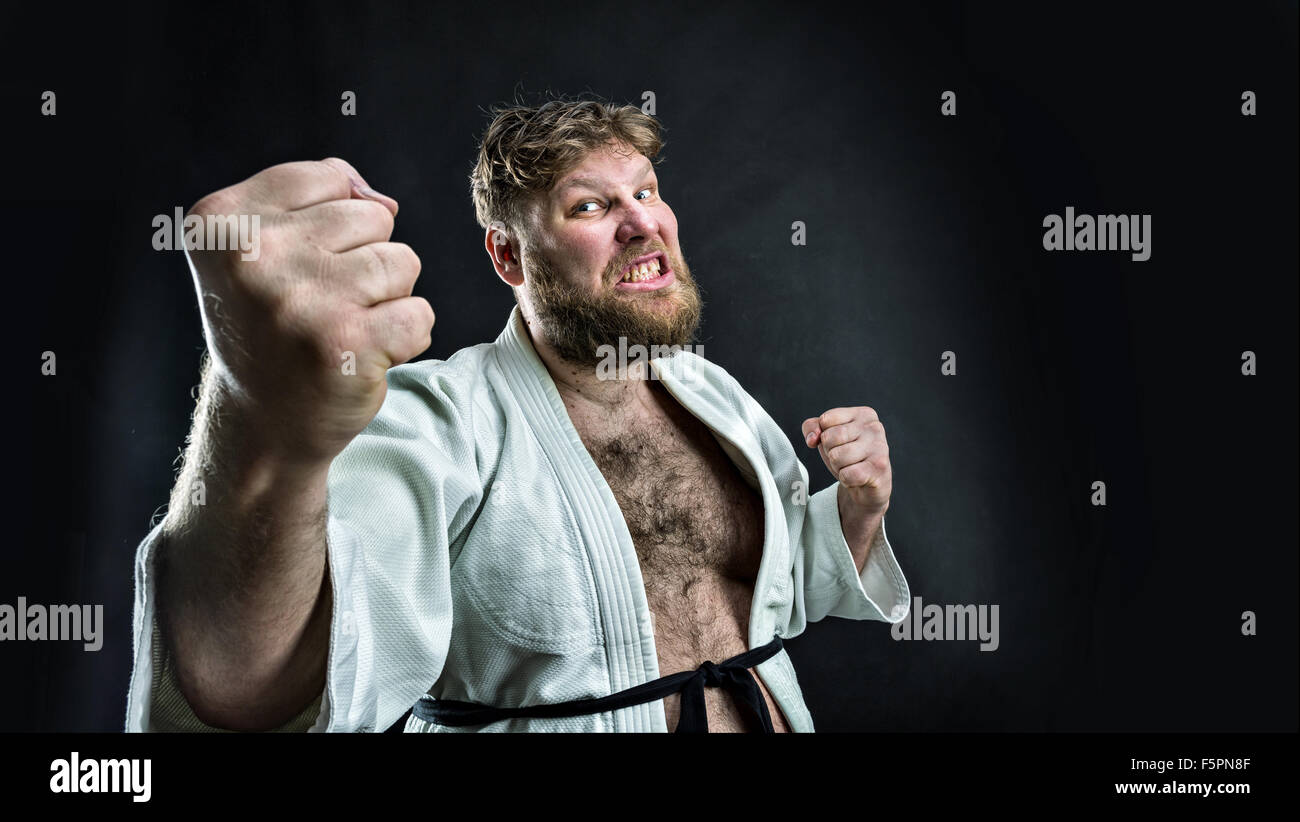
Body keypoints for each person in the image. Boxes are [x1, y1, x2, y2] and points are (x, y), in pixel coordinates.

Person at [124, 96, 911, 733]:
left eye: (645, 192)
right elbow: (262, 687)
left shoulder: (713, 397)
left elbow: (763, 598)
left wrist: (855, 512)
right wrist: (266, 434)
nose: (642, 222)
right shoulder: (437, 423)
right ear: (509, 257)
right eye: (592, 206)